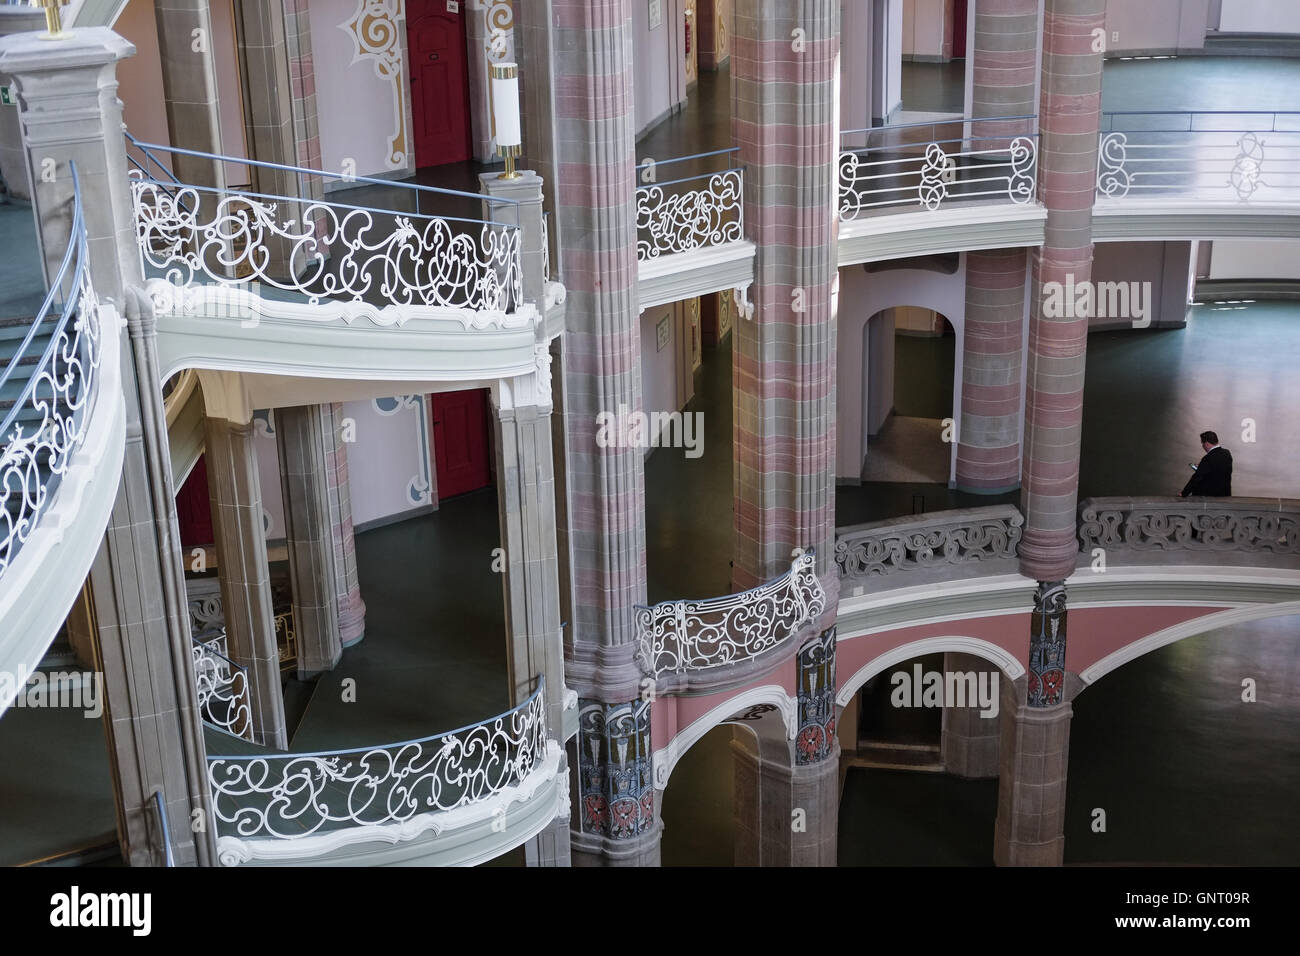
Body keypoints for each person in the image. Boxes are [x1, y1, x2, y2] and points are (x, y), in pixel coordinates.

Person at [1180, 430, 1232, 497]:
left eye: (1202, 443)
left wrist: (1184, 493)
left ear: (1206, 443)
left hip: (1208, 498)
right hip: (1224, 496)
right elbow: (1218, 472)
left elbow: (1197, 478)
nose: (1202, 446)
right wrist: (1202, 467)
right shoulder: (1227, 453)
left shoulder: (1208, 458)